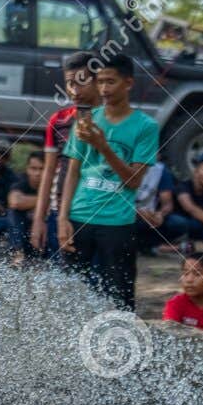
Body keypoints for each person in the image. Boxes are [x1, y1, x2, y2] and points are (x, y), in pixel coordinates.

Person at [58, 52, 160, 309]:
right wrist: (62, 218)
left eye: (110, 82)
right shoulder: (86, 119)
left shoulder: (146, 126)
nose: (103, 88)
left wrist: (103, 146)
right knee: (69, 294)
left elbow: (134, 181)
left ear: (128, 83)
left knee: (120, 297)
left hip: (117, 221)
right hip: (80, 215)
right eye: (100, 81)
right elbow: (72, 171)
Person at [32, 51, 100, 257]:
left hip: (98, 211)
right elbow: (49, 170)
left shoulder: (112, 121)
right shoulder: (59, 120)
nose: (74, 90)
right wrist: (38, 219)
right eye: (69, 84)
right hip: (59, 209)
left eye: (80, 82)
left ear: (98, 80)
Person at [7, 151, 46, 258]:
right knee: (13, 212)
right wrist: (46, 200)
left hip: (45, 229)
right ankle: (18, 251)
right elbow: (15, 202)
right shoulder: (22, 180)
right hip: (24, 229)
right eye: (33, 168)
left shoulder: (55, 184)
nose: (37, 173)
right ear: (27, 169)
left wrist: (30, 203)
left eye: (42, 169)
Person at [134, 159, 179, 253]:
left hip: (150, 214)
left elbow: (167, 204)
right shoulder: (123, 164)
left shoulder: (160, 170)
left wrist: (160, 214)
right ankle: (154, 247)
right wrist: (138, 212)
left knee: (178, 223)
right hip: (127, 213)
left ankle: (151, 247)